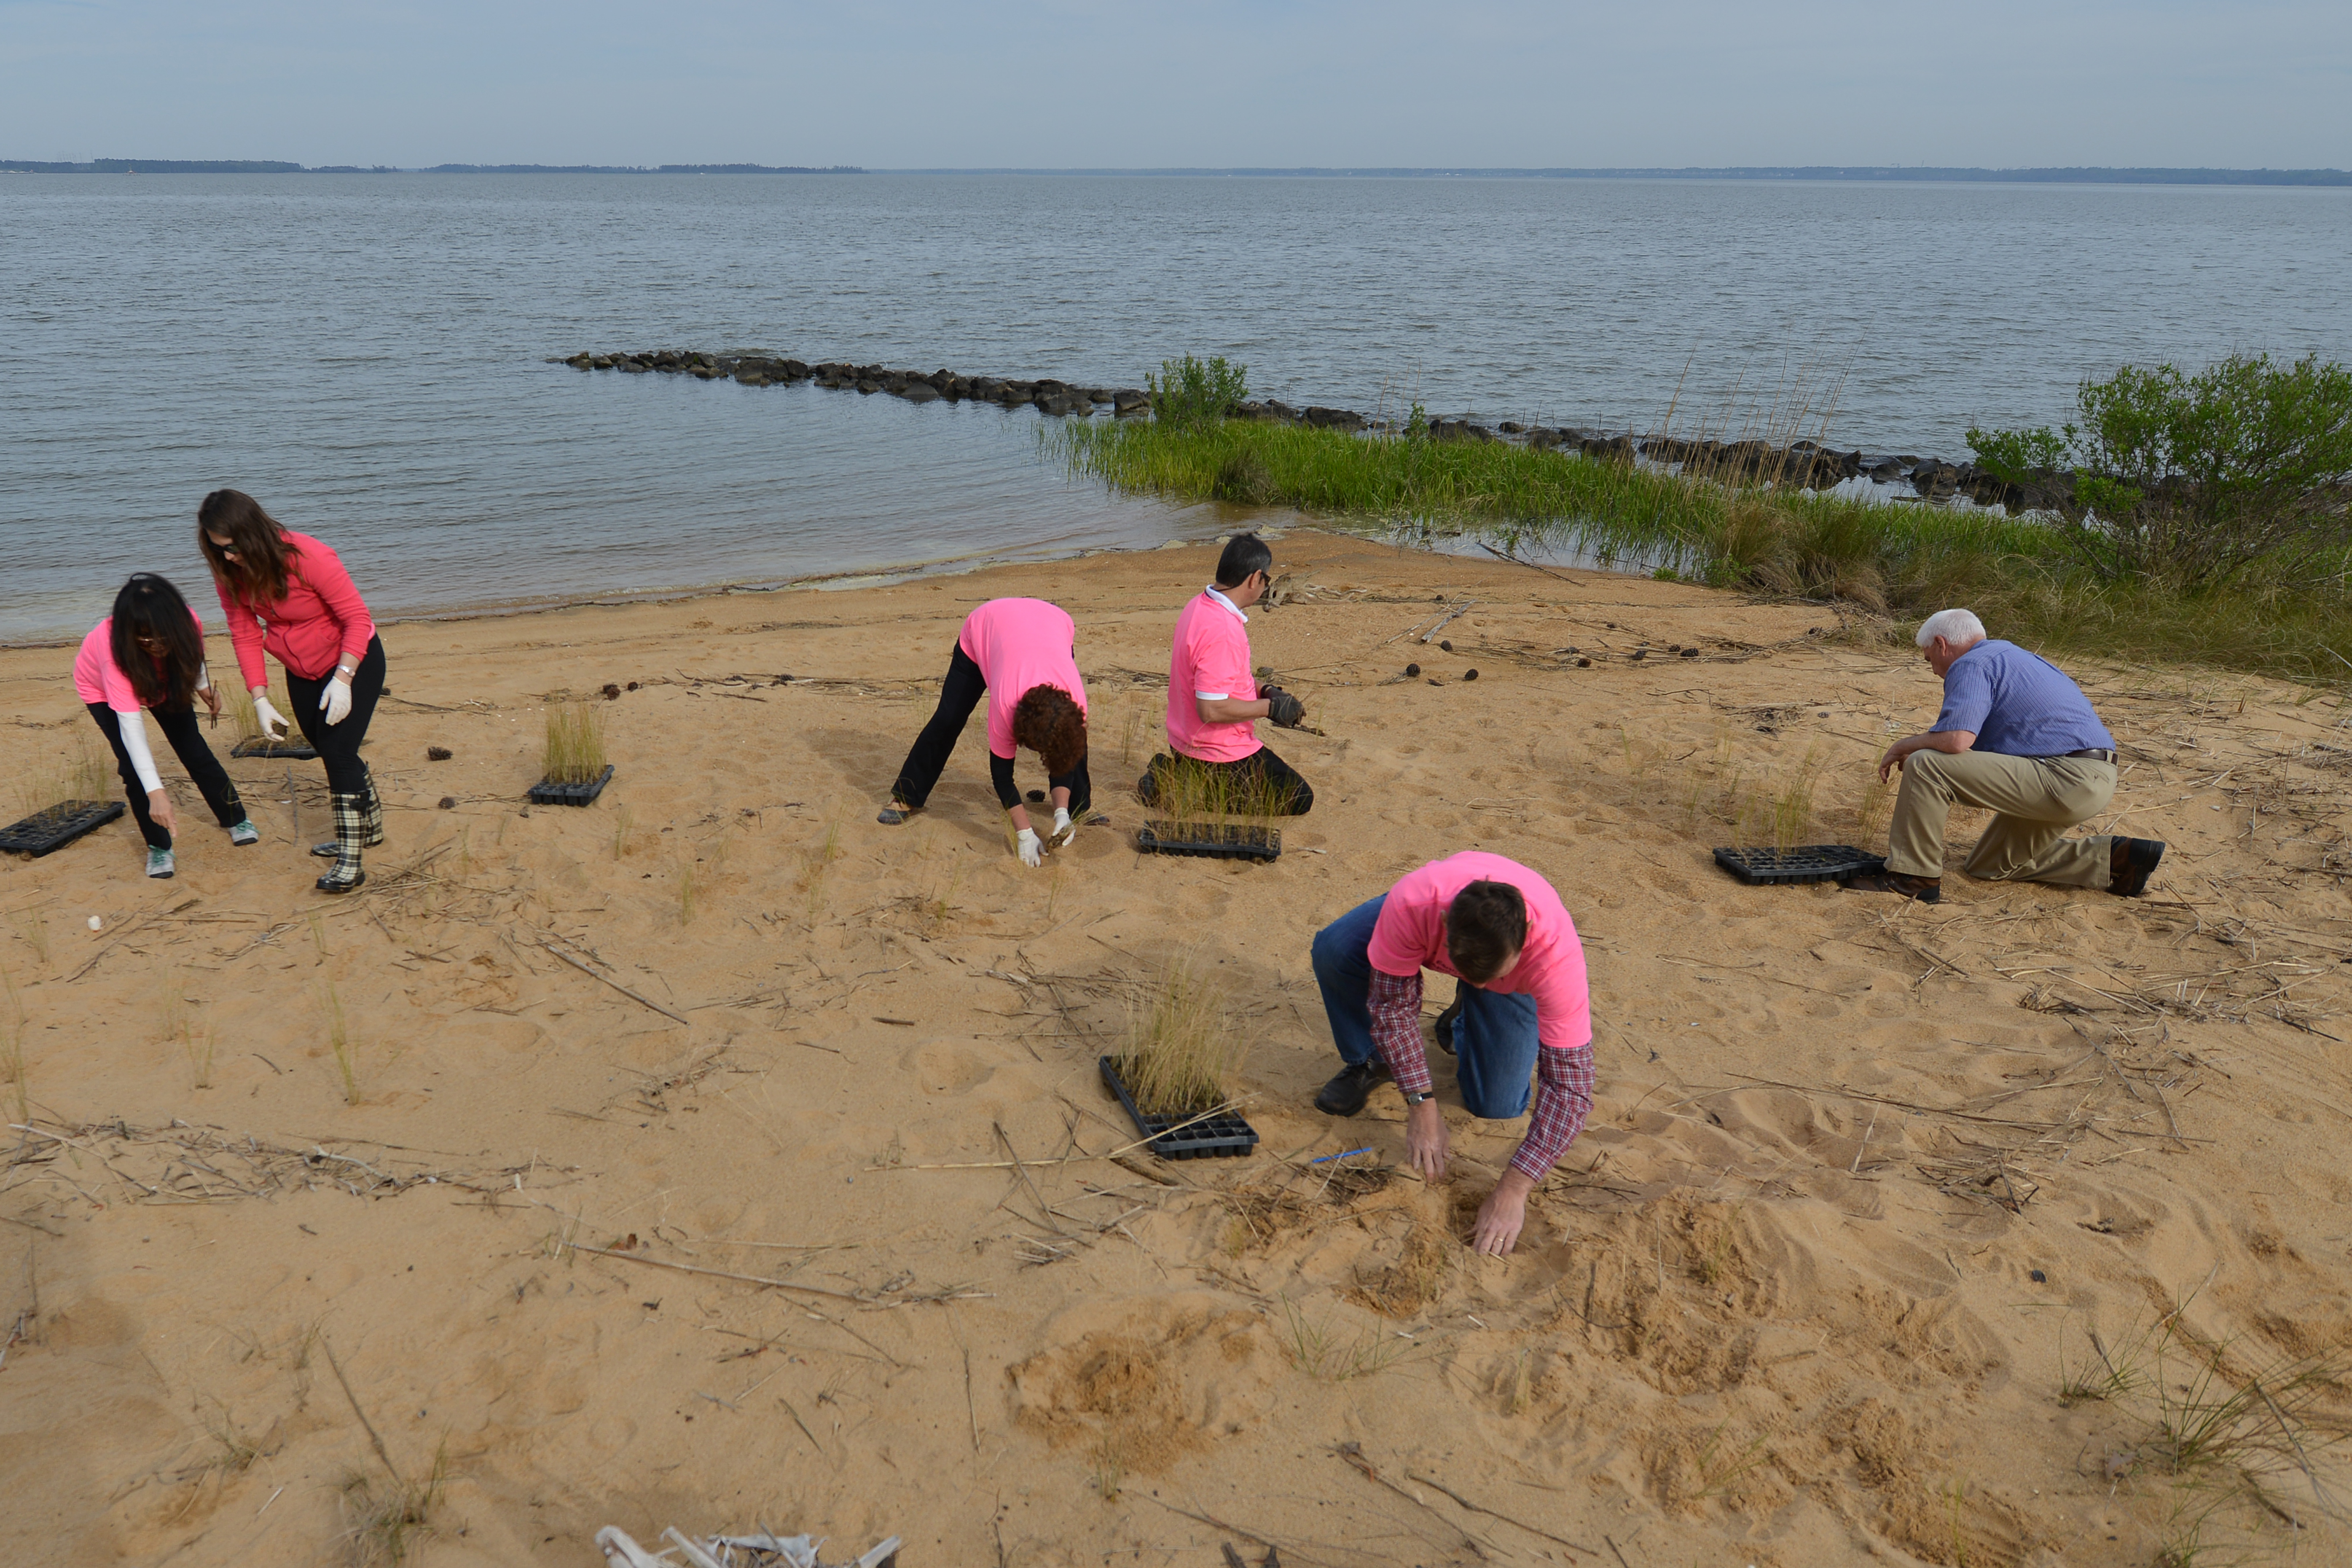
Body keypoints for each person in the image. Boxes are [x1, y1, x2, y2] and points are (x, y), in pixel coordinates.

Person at [1309, 851, 1595, 1256]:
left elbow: (1571, 1088)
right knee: (1336, 951)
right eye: (1468, 972)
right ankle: (1370, 1059)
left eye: (1489, 974)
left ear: (1525, 938)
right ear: (1445, 925)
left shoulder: (1554, 958)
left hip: (1512, 982)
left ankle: (1468, 1011)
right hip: (1431, 925)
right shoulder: (1414, 905)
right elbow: (1393, 1008)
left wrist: (1515, 1188)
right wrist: (1421, 1105)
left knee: (1498, 1104)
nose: (1480, 981)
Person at [1841, 608, 2165, 904]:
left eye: (1929, 660)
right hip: (2090, 777)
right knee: (1987, 865)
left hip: (2064, 777)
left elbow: (1956, 741)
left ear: (1941, 645)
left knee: (1926, 765)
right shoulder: (2014, 656)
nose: (1935, 671)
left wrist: (1903, 746)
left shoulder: (1971, 663)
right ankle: (2118, 859)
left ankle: (1913, 878)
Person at [199, 490, 387, 894]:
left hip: (354, 661)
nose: (228, 558)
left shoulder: (309, 557)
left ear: (252, 532)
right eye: (218, 550)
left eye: (232, 548)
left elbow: (357, 617)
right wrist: (259, 697)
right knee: (331, 749)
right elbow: (245, 632)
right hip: (301, 671)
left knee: (338, 755)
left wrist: (344, 678)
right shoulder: (230, 573)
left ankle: (350, 861)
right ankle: (368, 829)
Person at [879, 597, 1089, 866]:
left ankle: (1075, 807)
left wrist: (1061, 813)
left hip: (1052, 623)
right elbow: (1002, 775)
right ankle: (906, 796)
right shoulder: (1006, 705)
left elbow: (1065, 754)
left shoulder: (1077, 706)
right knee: (949, 718)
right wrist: (1024, 832)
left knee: (1070, 742)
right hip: (988, 625)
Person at [73, 574, 258, 878]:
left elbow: (190, 655)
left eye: (164, 637)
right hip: (102, 690)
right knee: (133, 771)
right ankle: (159, 848)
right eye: (146, 637)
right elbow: (132, 729)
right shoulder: (112, 650)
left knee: (194, 751)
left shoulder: (189, 623)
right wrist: (157, 793)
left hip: (164, 679)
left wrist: (202, 687)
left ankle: (235, 818)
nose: (157, 645)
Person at [1140, 532, 1314, 815]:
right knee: (1299, 797)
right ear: (1255, 578)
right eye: (1267, 580)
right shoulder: (1222, 630)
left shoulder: (1199, 605)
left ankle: (1181, 773)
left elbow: (1225, 679)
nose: (1265, 586)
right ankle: (1170, 786)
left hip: (1185, 741)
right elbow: (1210, 709)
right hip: (1215, 752)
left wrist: (1266, 690)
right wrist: (1271, 709)